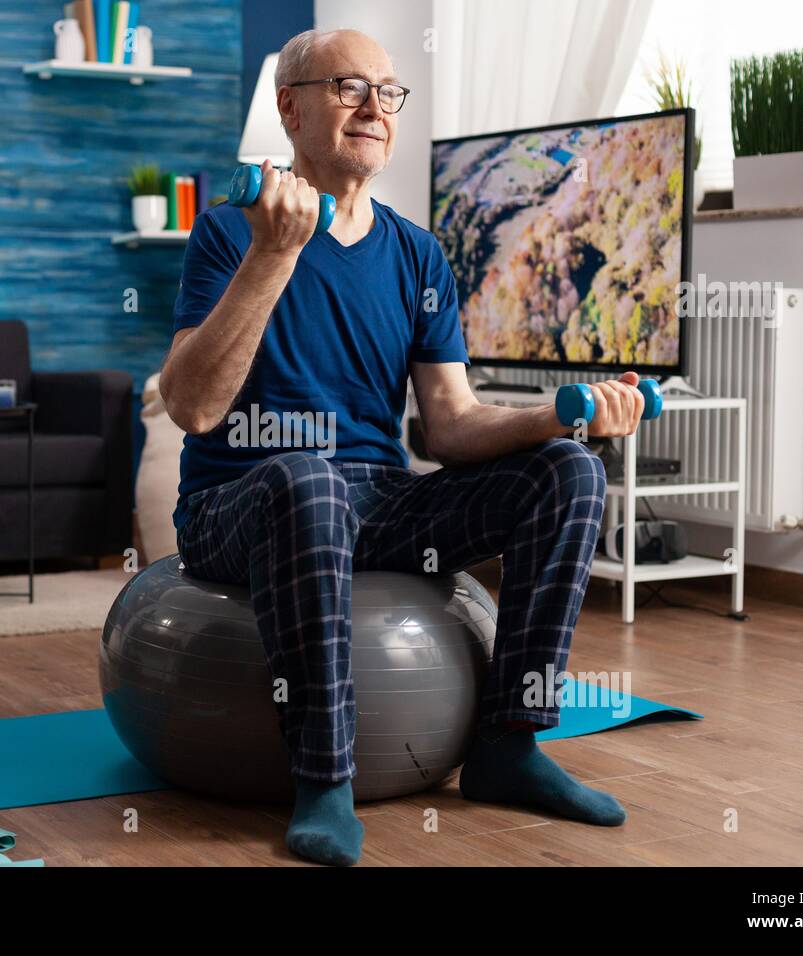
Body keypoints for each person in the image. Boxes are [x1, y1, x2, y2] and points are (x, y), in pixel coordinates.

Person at [158, 28, 645, 867]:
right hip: (238, 504)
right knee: (305, 480)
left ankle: (508, 745)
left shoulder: (419, 253)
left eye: (388, 92)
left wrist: (559, 417)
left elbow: (450, 424)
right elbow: (192, 409)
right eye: (349, 87)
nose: (375, 108)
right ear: (290, 107)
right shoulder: (231, 233)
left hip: (377, 498)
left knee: (568, 472)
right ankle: (324, 780)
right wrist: (275, 252)